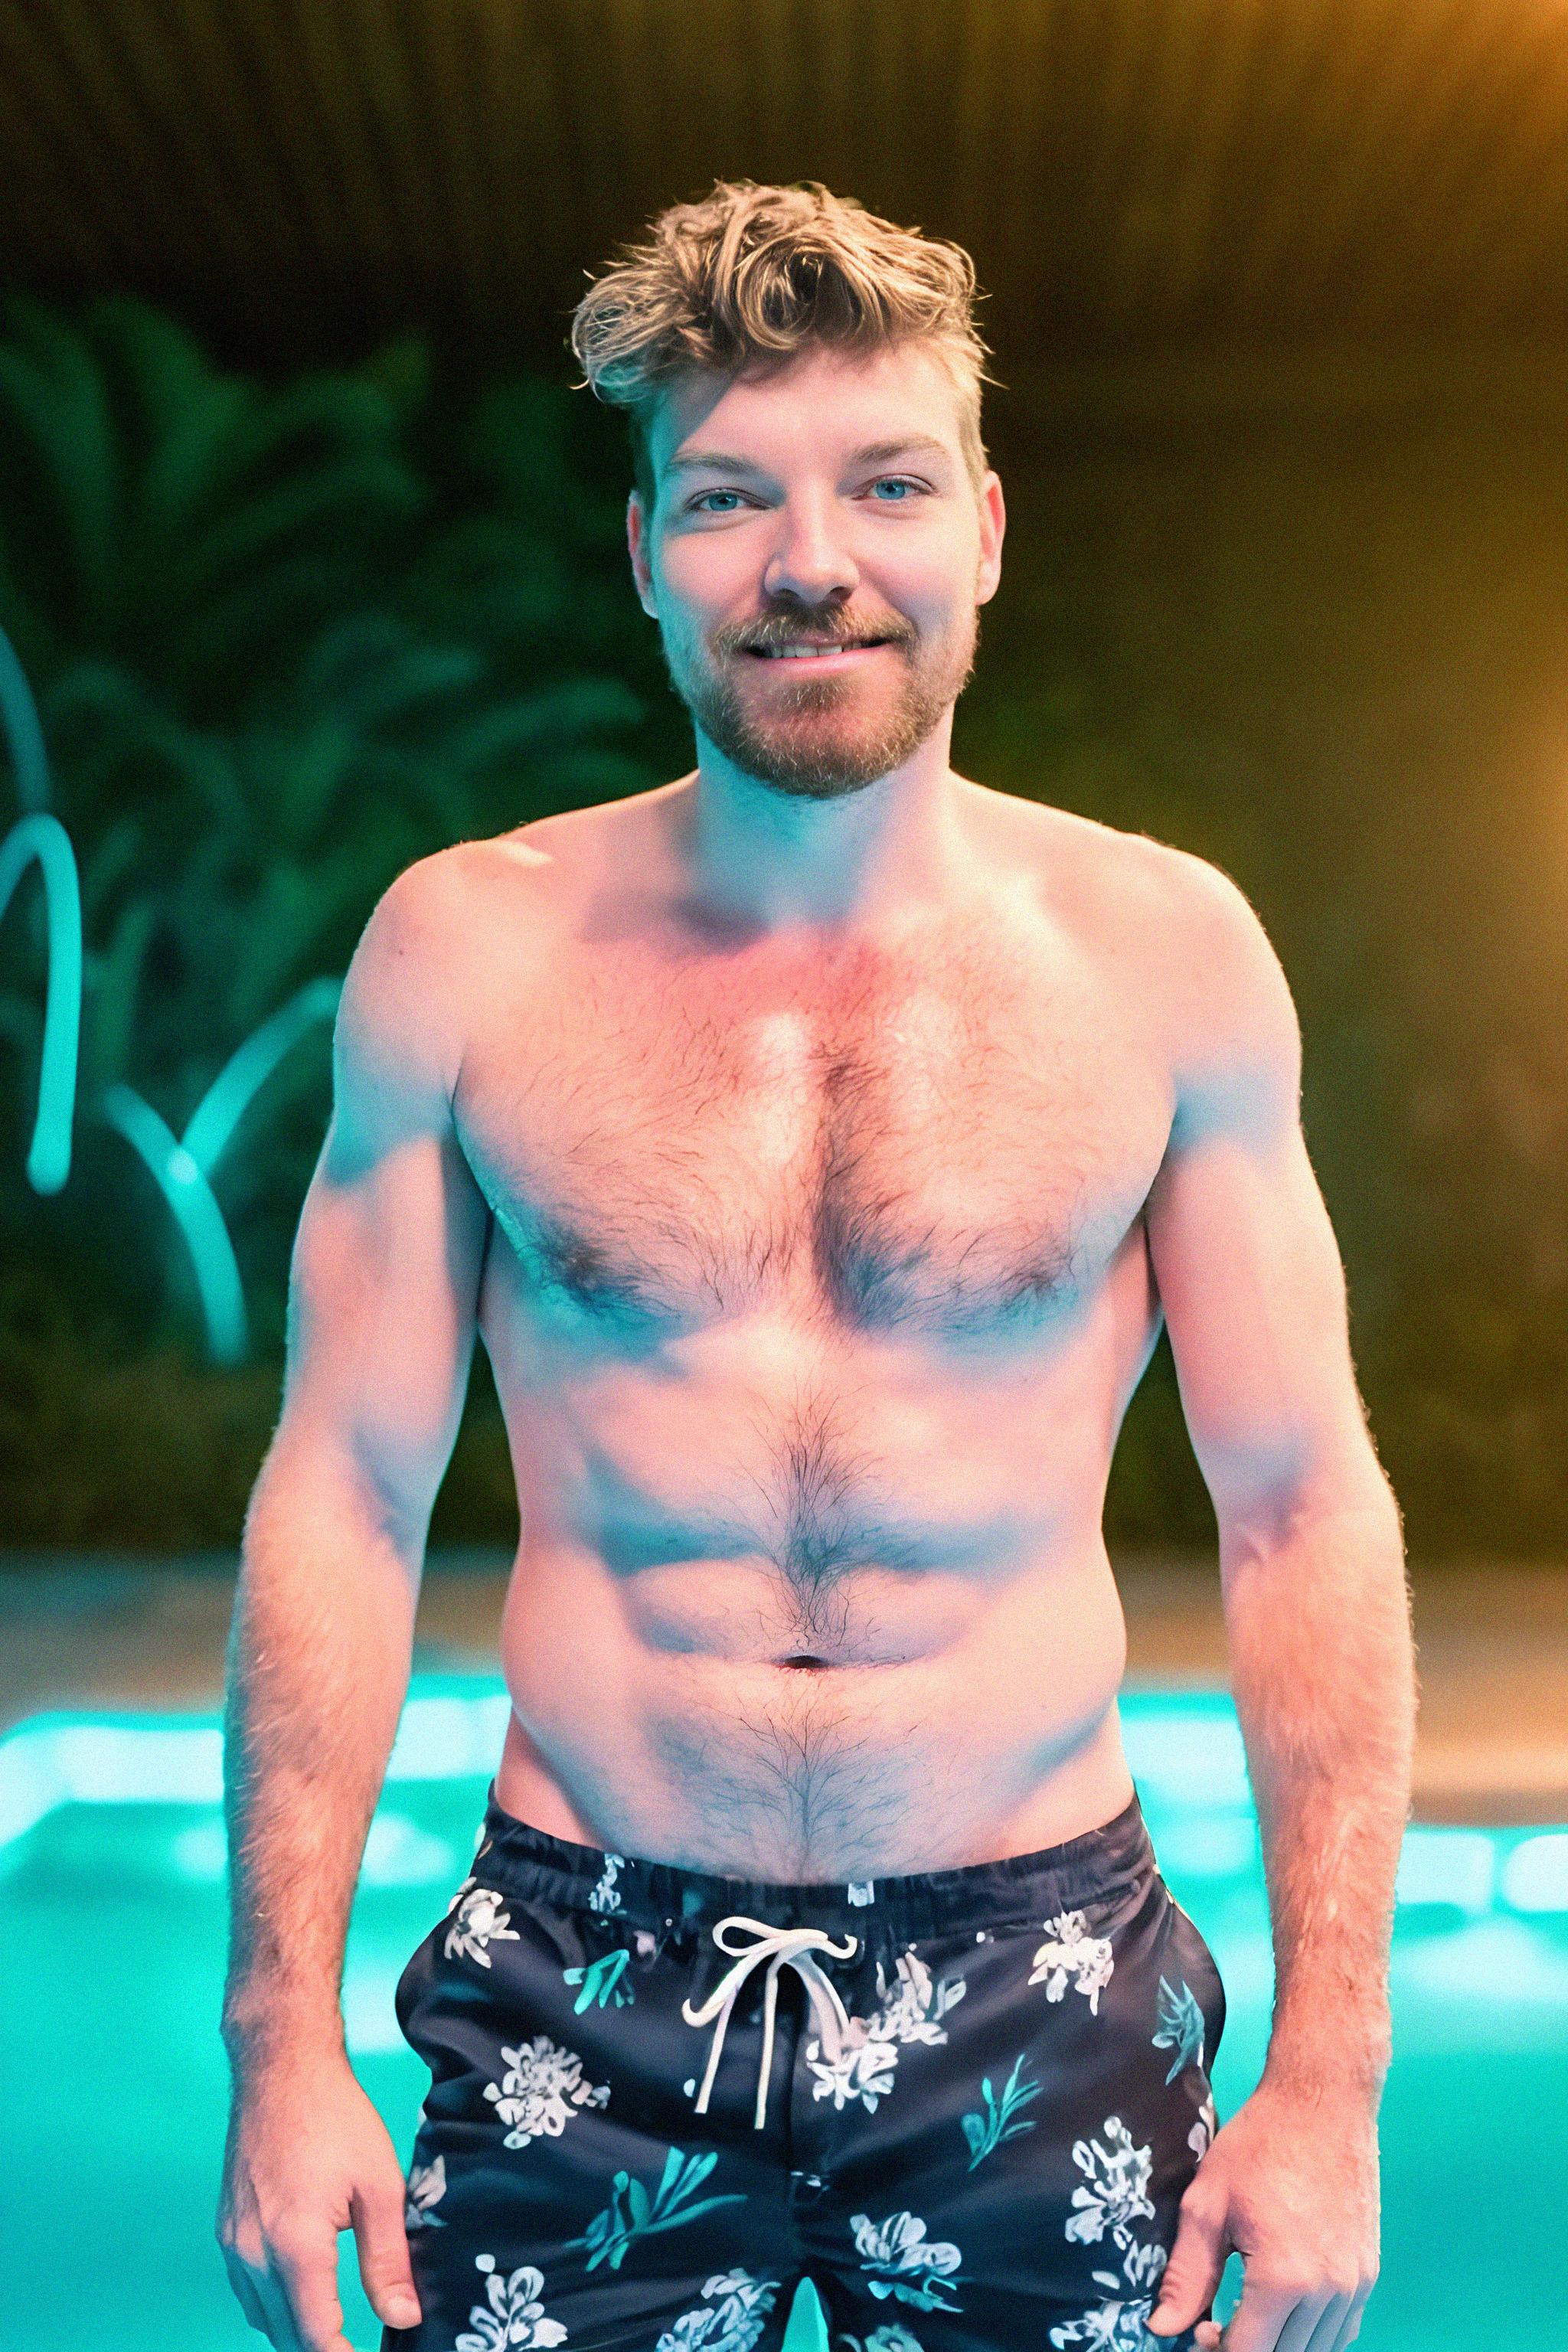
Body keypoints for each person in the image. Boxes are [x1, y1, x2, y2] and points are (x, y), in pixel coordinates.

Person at [216, 179, 1416, 2352]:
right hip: (576, 1975)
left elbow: (1302, 1506)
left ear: (981, 524)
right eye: (728, 498)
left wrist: (1333, 2076)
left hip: (1036, 1985)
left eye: (883, 484)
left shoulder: (1167, 961)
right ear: (647, 560)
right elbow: (344, 1495)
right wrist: (273, 2047)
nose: (809, 562)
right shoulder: (466, 952)